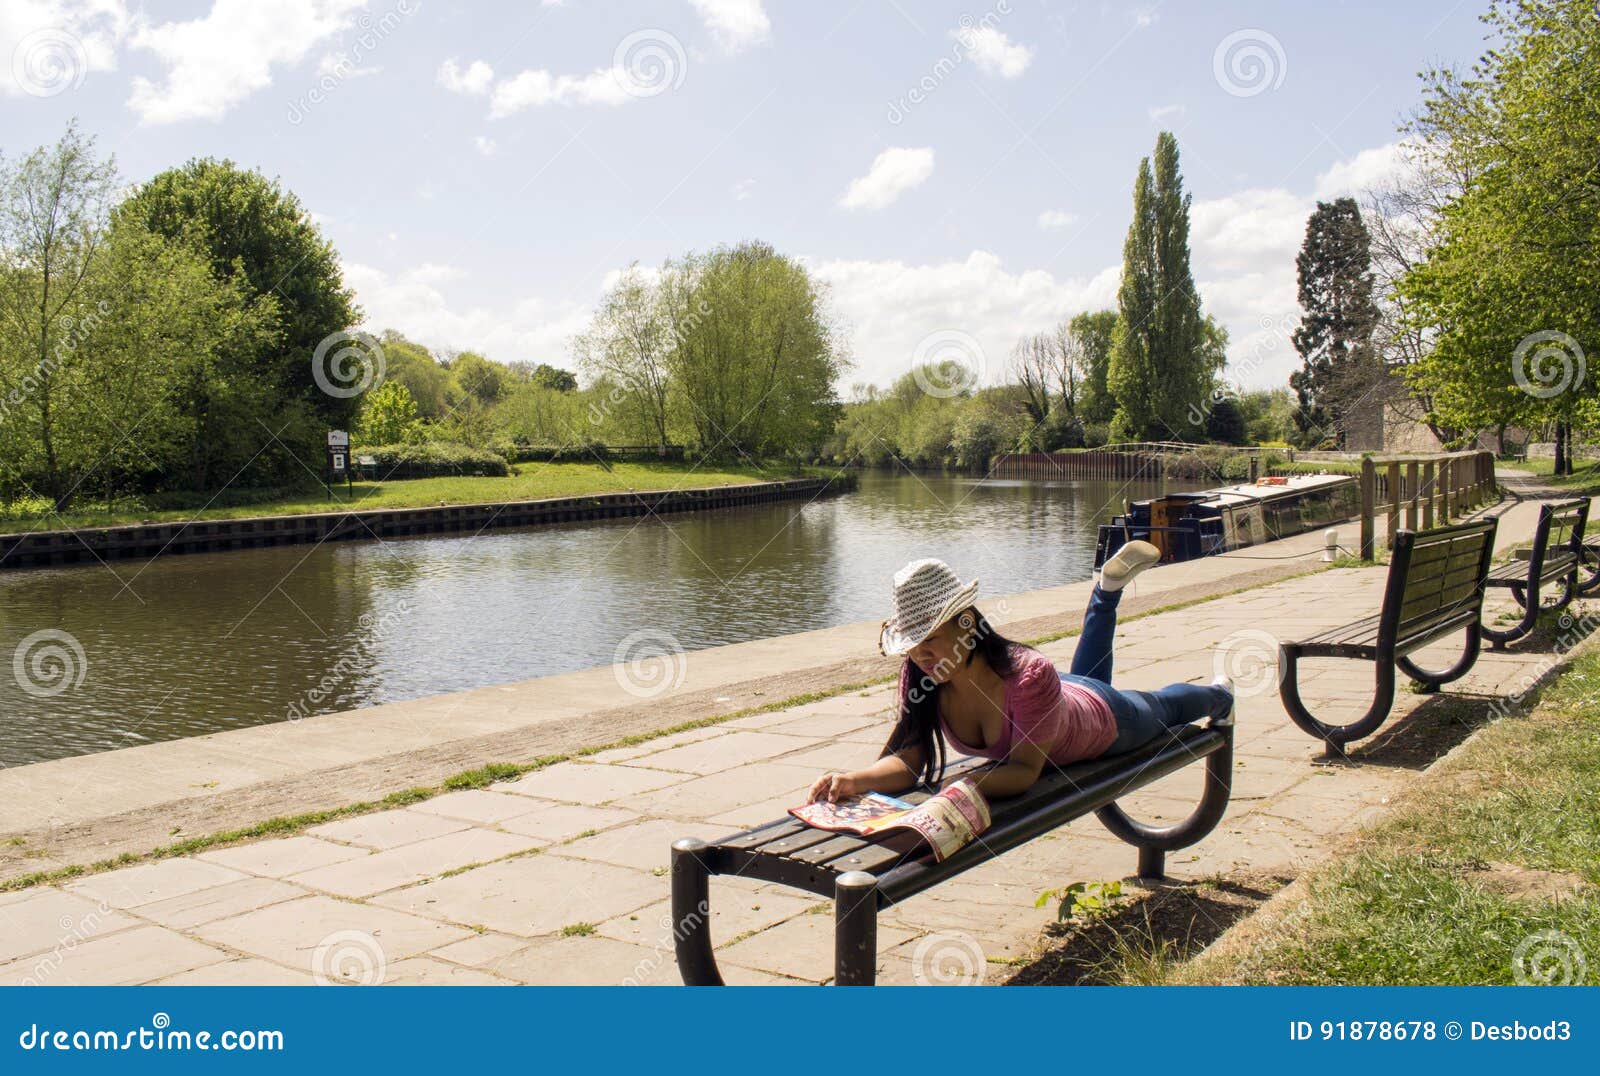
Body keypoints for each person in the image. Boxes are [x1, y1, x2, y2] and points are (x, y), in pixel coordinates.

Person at [807, 543, 1233, 803]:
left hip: (1107, 722)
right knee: (1090, 677)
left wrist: (960, 789)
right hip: (1056, 703)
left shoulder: (1030, 676)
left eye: (929, 639)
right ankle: (1105, 591)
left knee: (1165, 706)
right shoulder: (922, 677)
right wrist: (853, 780)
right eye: (911, 644)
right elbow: (910, 759)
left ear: (967, 624)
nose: (919, 654)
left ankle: (1220, 695)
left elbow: (1026, 771)